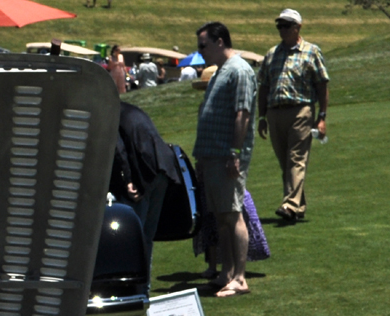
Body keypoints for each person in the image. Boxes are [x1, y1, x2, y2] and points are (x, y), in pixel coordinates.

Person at [192, 22, 256, 298]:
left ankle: (240, 278)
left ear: (219, 42)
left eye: (203, 46)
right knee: (221, 218)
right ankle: (226, 273)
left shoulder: (240, 70)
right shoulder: (220, 72)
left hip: (226, 156)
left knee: (233, 214)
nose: (200, 52)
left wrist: (235, 153)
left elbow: (242, 114)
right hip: (211, 155)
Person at [258, 8, 329, 223]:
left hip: (301, 111)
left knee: (296, 159)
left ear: (298, 27)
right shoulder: (271, 54)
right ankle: (297, 207)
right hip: (275, 113)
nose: (282, 29)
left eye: (286, 25)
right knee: (285, 163)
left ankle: (288, 204)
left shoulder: (311, 51)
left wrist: (322, 116)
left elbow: (322, 84)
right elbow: (263, 87)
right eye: (279, 25)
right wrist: (261, 117)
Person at [111, 102, 182, 296]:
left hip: (144, 171)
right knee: (145, 238)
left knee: (133, 237)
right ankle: (142, 289)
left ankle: (132, 289)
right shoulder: (128, 109)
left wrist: (127, 180)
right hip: (162, 168)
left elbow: (118, 149)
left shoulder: (107, 110)